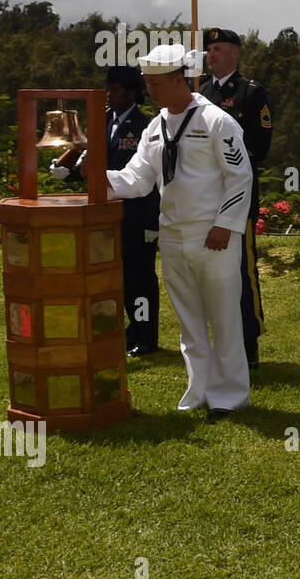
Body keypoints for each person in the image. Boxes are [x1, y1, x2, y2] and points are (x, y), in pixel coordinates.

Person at [106, 44, 255, 422]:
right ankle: (199, 389)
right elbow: (137, 180)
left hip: (213, 234)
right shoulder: (155, 127)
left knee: (223, 317)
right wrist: (96, 178)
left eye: (158, 83)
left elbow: (240, 177)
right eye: (147, 83)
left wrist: (225, 224)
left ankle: (230, 394)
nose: (151, 91)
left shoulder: (216, 120)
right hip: (172, 236)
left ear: (180, 79)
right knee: (189, 322)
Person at [51, 65, 160, 357]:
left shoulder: (146, 125)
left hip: (138, 215)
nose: (110, 96)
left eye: (115, 90)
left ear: (131, 92)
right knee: (118, 277)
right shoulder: (102, 122)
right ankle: (131, 330)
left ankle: (146, 335)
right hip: (106, 215)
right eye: (108, 89)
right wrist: (71, 162)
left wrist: (152, 221)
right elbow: (81, 169)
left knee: (141, 278)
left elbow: (148, 178)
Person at [199, 27, 272, 367]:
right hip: (202, 196)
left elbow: (259, 147)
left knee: (241, 271)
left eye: (218, 48)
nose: (211, 54)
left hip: (236, 194)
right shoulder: (198, 93)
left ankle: (248, 341)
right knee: (210, 273)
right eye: (209, 49)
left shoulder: (250, 93)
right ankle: (221, 342)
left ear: (235, 53)